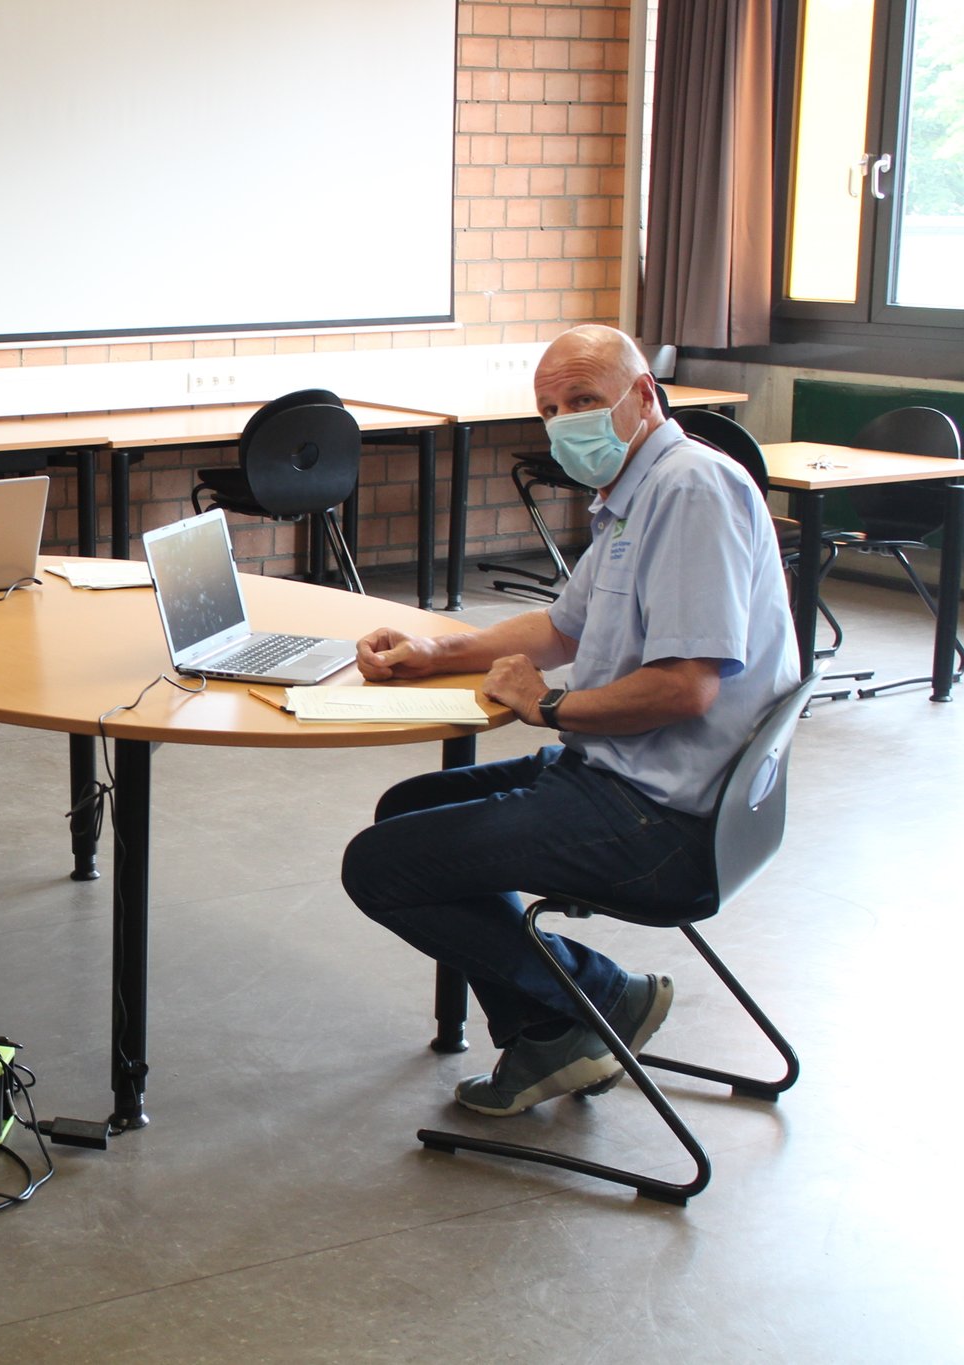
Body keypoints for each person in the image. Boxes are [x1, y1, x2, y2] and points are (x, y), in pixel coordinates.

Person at [340, 325, 798, 1117]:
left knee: (380, 865)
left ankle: (598, 996)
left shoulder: (690, 491)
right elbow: (563, 629)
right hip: (623, 776)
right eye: (550, 409)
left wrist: (549, 705)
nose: (566, 423)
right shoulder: (633, 494)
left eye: (585, 400)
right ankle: (554, 1027)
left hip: (664, 821)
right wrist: (434, 648)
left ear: (644, 396)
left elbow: (687, 687)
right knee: (407, 811)